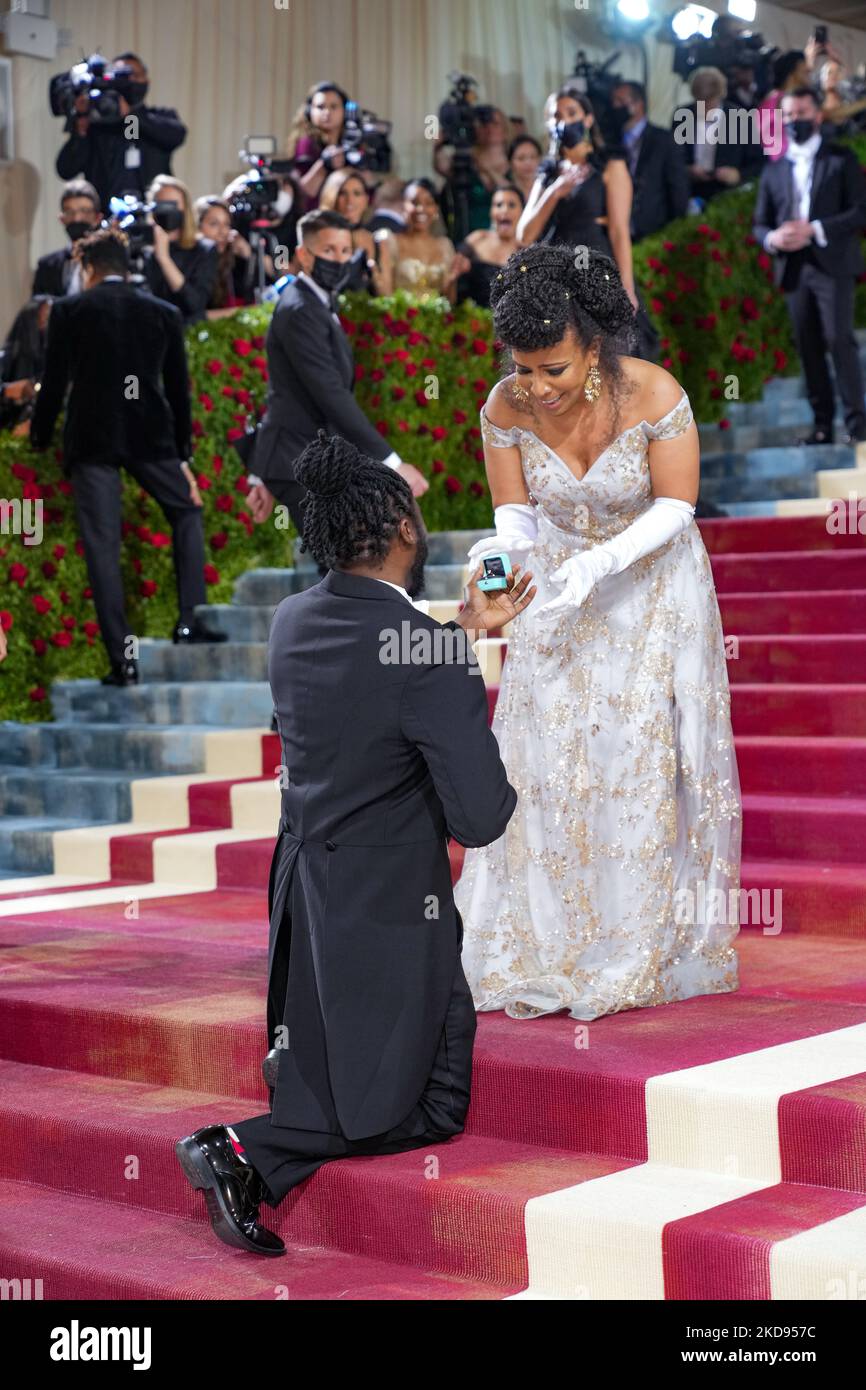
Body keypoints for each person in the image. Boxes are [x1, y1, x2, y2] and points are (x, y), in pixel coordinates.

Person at [175, 433, 536, 1254]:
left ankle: (272, 1122)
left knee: (345, 1078)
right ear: (405, 532)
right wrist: (463, 659)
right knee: (435, 1106)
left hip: (307, 898)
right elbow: (480, 817)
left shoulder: (292, 620)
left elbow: (374, 675)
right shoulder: (428, 655)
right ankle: (244, 1151)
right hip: (389, 916)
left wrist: (460, 633)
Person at [453, 243, 741, 1021]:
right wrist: (500, 559)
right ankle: (545, 939)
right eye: (525, 369)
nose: (538, 387)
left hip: (649, 586)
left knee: (632, 753)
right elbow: (514, 514)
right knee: (541, 753)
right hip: (555, 588)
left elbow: (677, 507)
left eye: (555, 368)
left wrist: (600, 564)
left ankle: (629, 939)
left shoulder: (653, 393)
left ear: (594, 345)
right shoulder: (504, 405)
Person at [28, 227, 223, 685]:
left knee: (102, 544)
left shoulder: (69, 310)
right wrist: (183, 456)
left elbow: (53, 384)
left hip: (92, 437)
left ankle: (123, 659)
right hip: (150, 434)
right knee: (186, 511)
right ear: (126, 265)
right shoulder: (163, 312)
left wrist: (40, 437)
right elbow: (179, 392)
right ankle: (188, 620)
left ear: (88, 267)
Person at [244, 209, 428, 545]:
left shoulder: (317, 303)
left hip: (302, 458)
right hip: (295, 458)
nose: (339, 260)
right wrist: (391, 462)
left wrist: (260, 475)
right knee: (344, 561)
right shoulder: (300, 309)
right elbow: (329, 393)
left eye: (346, 251)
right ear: (303, 254)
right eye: (329, 251)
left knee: (347, 561)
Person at [754, 86, 866, 446]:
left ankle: (857, 424)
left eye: (801, 113)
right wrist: (774, 238)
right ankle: (822, 426)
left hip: (831, 263)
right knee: (808, 345)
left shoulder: (841, 159)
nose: (793, 120)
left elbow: (859, 211)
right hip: (793, 268)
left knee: (839, 339)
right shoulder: (773, 171)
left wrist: (814, 229)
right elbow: (759, 224)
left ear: (817, 115)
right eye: (787, 115)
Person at [517, 87, 637, 309]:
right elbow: (524, 234)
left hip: (595, 271)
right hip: (554, 276)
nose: (564, 122)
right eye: (557, 116)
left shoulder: (610, 164)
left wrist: (627, 286)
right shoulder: (548, 172)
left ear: (588, 119)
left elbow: (619, 231)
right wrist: (555, 192)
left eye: (572, 113)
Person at [55, 52, 186, 210]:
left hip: (152, 215)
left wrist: (131, 114)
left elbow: (177, 135)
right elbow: (65, 170)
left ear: (146, 80)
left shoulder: (157, 118)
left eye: (135, 75)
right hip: (105, 217)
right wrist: (80, 130)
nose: (129, 81)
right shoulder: (95, 126)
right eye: (122, 76)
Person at [610, 82, 689, 240]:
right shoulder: (610, 141)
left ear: (638, 104)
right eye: (613, 101)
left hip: (654, 232)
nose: (614, 106)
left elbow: (678, 189)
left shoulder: (665, 140)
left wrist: (674, 230)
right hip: (617, 232)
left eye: (620, 101)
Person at [140, 174, 219, 325]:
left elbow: (195, 304)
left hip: (184, 331)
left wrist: (164, 259)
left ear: (185, 208)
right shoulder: (144, 249)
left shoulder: (204, 250)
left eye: (172, 204)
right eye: (160, 204)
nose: (166, 211)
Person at [675, 68, 756, 204]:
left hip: (727, 195)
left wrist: (738, 175)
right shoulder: (682, 116)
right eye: (700, 102)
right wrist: (687, 169)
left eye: (709, 103)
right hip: (690, 192)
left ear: (720, 96)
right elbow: (673, 157)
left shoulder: (739, 118)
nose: (704, 108)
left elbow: (759, 162)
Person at [383, 178, 469, 304]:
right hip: (400, 320)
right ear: (403, 205)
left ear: (436, 209)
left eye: (429, 203)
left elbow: (450, 301)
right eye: (414, 202)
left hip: (437, 321)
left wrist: (452, 280)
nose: (421, 209)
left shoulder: (444, 245)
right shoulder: (391, 242)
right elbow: (385, 297)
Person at [318, 168, 387, 293]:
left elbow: (387, 295)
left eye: (357, 193)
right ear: (331, 197)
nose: (350, 200)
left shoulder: (378, 242)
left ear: (366, 200)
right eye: (342, 193)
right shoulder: (317, 236)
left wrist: (375, 275)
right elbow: (291, 273)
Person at [32, 179, 103, 297]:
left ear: (97, 218)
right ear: (62, 218)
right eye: (70, 212)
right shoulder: (47, 266)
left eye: (84, 211)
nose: (77, 218)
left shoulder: (110, 262)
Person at [457, 184, 524, 307]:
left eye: (512, 205)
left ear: (522, 212)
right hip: (471, 319)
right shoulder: (478, 238)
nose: (504, 210)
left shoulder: (526, 251)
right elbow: (453, 272)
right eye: (498, 205)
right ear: (491, 211)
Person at [194, 196, 263, 315]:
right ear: (197, 227)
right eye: (214, 224)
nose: (223, 232)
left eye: (227, 224)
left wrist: (249, 255)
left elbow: (279, 271)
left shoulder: (231, 260)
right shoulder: (190, 264)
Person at [287, 80, 350, 208]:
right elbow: (303, 193)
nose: (327, 112)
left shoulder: (351, 142)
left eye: (333, 106)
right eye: (320, 107)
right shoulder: (306, 143)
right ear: (309, 111)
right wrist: (324, 164)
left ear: (345, 111)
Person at [507, 134, 543, 204]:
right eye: (521, 158)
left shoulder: (551, 190)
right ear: (510, 162)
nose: (528, 163)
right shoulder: (505, 194)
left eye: (533, 157)